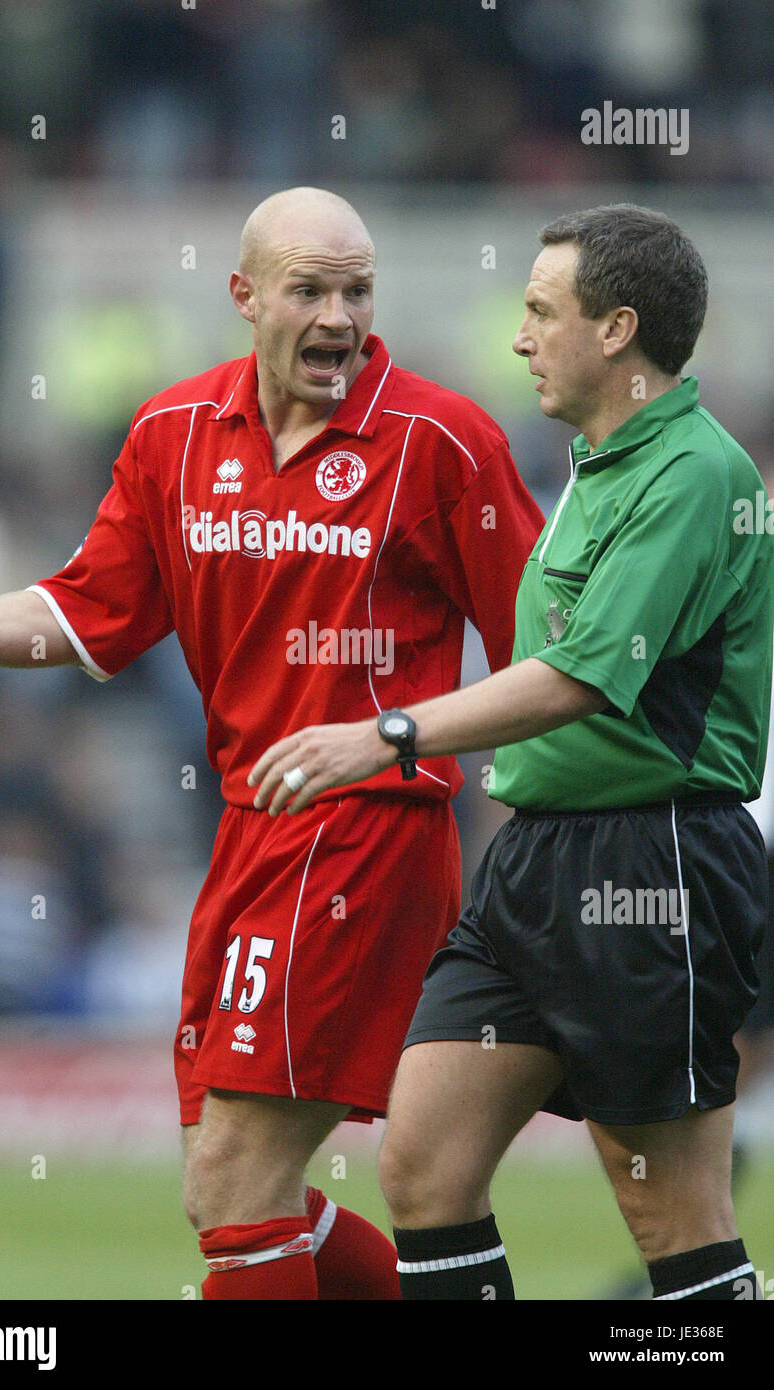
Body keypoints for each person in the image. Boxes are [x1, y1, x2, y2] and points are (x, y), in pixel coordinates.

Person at [0, 186, 544, 1299]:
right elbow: (76, 616)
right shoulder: (172, 433)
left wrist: (526, 820)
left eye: (357, 290)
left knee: (241, 1176)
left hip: (366, 834)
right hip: (249, 834)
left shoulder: (441, 441)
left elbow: (546, 652)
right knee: (226, 1189)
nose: (338, 316)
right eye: (309, 289)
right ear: (245, 297)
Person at [251, 204, 774, 1301]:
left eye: (540, 311)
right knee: (424, 1164)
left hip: (651, 865)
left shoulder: (690, 474)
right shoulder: (596, 459)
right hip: (537, 865)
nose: (520, 336)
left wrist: (387, 733)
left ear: (617, 328)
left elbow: (583, 676)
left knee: (668, 1212)